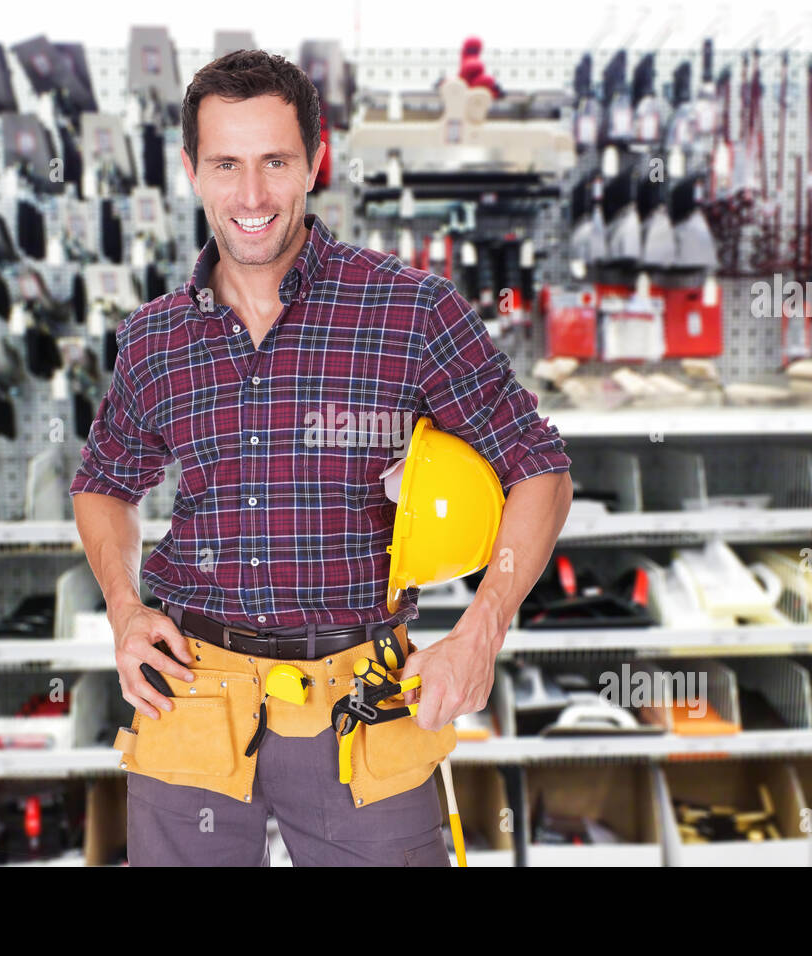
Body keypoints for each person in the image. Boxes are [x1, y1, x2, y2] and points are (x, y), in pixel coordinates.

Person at [70, 49, 573, 867]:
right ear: (192, 170)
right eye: (226, 165)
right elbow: (102, 485)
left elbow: (539, 467)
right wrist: (126, 609)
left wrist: (483, 629)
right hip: (192, 700)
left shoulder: (409, 311)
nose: (253, 195)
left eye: (277, 161)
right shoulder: (156, 338)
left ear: (317, 160)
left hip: (362, 711)